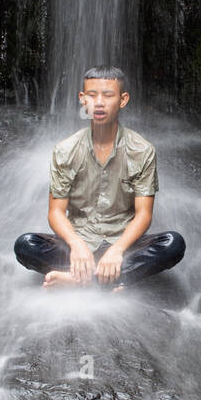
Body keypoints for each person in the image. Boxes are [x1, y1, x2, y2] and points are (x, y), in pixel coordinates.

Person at [14, 66, 185, 293]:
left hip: (125, 245)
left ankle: (82, 280)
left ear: (123, 100)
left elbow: (144, 214)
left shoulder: (142, 150)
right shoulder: (65, 150)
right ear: (82, 100)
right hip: (78, 244)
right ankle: (114, 279)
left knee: (173, 244)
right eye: (92, 95)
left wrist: (118, 250)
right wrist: (76, 245)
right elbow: (56, 212)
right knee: (25, 244)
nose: (99, 103)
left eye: (108, 95)